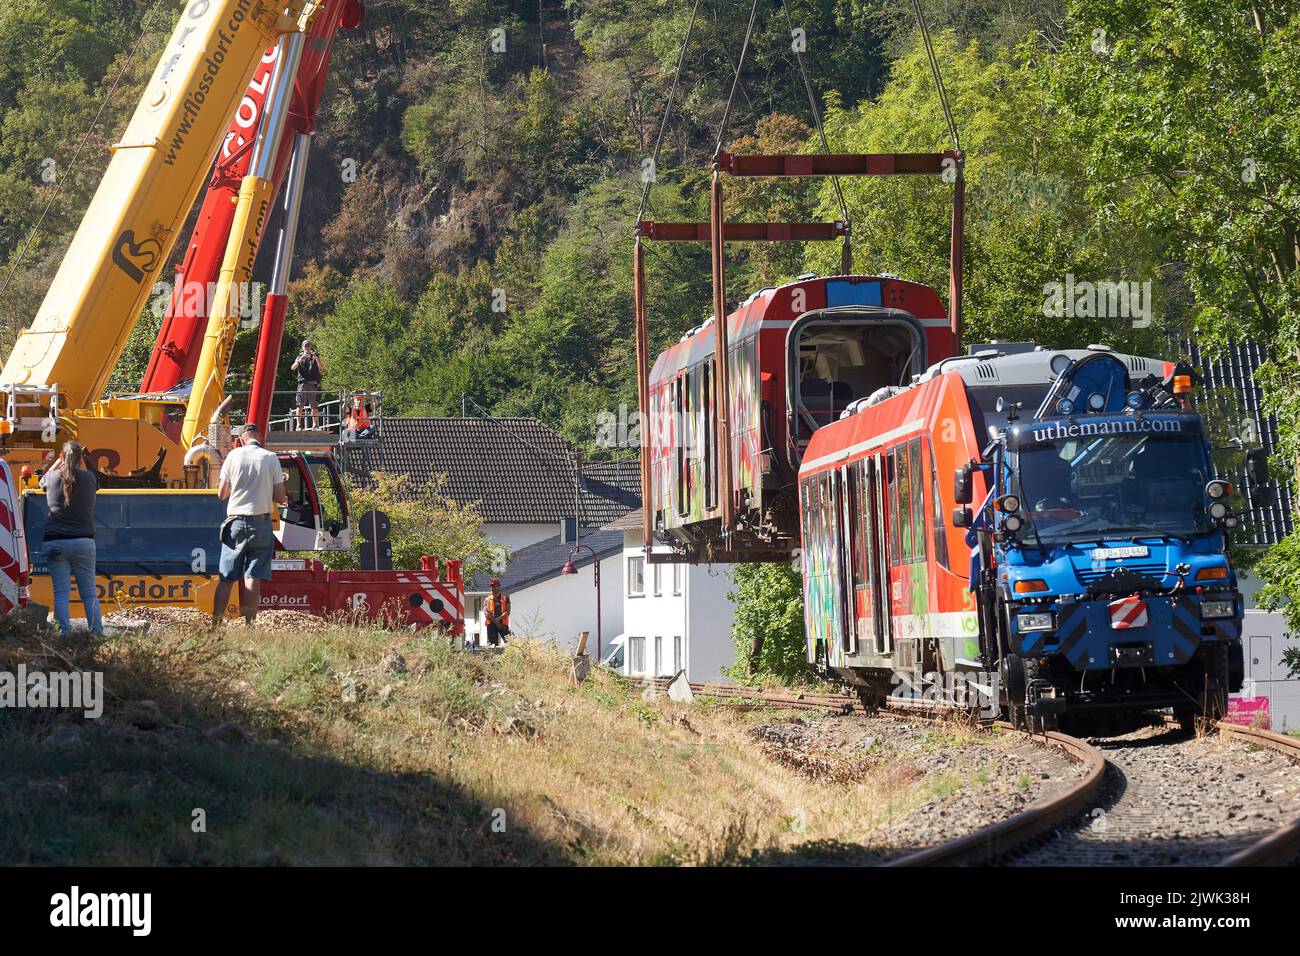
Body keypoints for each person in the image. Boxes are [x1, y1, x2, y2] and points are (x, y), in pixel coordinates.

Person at [212, 424, 286, 626]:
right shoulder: (270, 458)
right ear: (259, 437)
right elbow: (280, 497)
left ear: (242, 439)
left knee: (226, 578)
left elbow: (221, 494)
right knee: (253, 577)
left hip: (236, 523)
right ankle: (249, 626)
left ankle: (216, 625)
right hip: (261, 524)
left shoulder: (233, 456)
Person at [40, 442, 103, 636]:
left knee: (61, 592)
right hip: (83, 541)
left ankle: (63, 634)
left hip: (55, 542)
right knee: (89, 593)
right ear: (80, 459)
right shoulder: (89, 478)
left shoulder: (51, 477)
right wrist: (81, 464)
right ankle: (96, 632)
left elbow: (41, 482)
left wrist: (57, 464)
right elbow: (95, 481)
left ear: (61, 457)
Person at [291, 339, 325, 430]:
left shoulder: (315, 356)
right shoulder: (299, 356)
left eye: (308, 346)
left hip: (312, 383)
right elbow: (293, 368)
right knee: (300, 404)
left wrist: (316, 358)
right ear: (302, 347)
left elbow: (322, 368)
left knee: (314, 405)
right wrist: (300, 360)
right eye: (305, 346)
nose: (307, 348)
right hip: (302, 384)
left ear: (310, 347)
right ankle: (298, 425)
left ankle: (315, 425)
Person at [484, 577, 510, 646]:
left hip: (503, 624)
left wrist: (498, 620)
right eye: (493, 586)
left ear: (499, 587)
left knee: (510, 642)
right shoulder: (487, 600)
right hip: (491, 624)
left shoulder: (506, 598)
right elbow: (486, 613)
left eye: (496, 586)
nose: (495, 588)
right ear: (491, 588)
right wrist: (496, 622)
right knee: (493, 645)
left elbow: (507, 612)